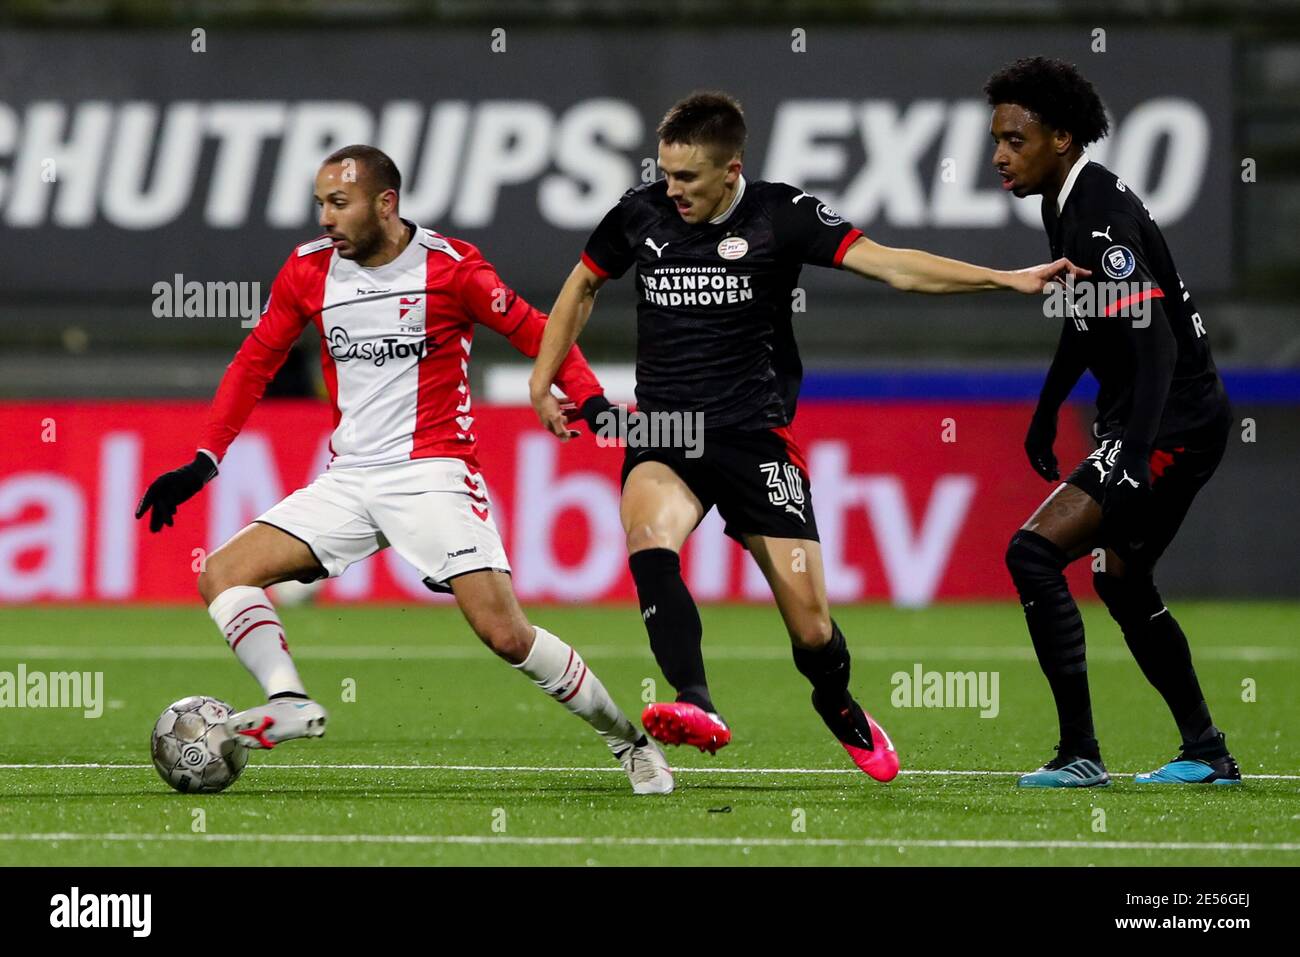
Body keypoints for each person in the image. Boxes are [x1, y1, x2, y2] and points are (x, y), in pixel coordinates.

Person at [529, 91, 1083, 781]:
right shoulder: (640, 214)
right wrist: (541, 379)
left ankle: (839, 702)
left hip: (754, 438)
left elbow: (892, 264)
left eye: (689, 179)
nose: (672, 191)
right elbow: (584, 281)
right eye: (667, 175)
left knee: (813, 627)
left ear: (732, 170)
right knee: (649, 539)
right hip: (667, 432)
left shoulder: (780, 216)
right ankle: (694, 700)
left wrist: (1004, 278)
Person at [135, 144, 674, 795]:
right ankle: (290, 700)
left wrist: (586, 396)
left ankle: (628, 740)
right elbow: (255, 361)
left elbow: (540, 330)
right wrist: (203, 460)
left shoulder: (453, 270)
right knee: (222, 572)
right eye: (320, 203)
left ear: (385, 204)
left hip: (433, 474)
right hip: (350, 479)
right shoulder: (308, 271)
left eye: (339, 203)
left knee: (505, 633)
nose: (326, 218)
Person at [986, 57, 1239, 787]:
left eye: (1014, 139)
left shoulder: (1098, 215)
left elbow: (1153, 340)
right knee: (1124, 584)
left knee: (1031, 554)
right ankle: (1207, 751)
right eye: (996, 139)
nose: (999, 155)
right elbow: (1085, 314)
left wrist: (1130, 453)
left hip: (1172, 426)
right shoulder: (1065, 201)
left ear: (1061, 137)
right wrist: (1044, 410)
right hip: (1165, 421)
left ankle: (1080, 753)